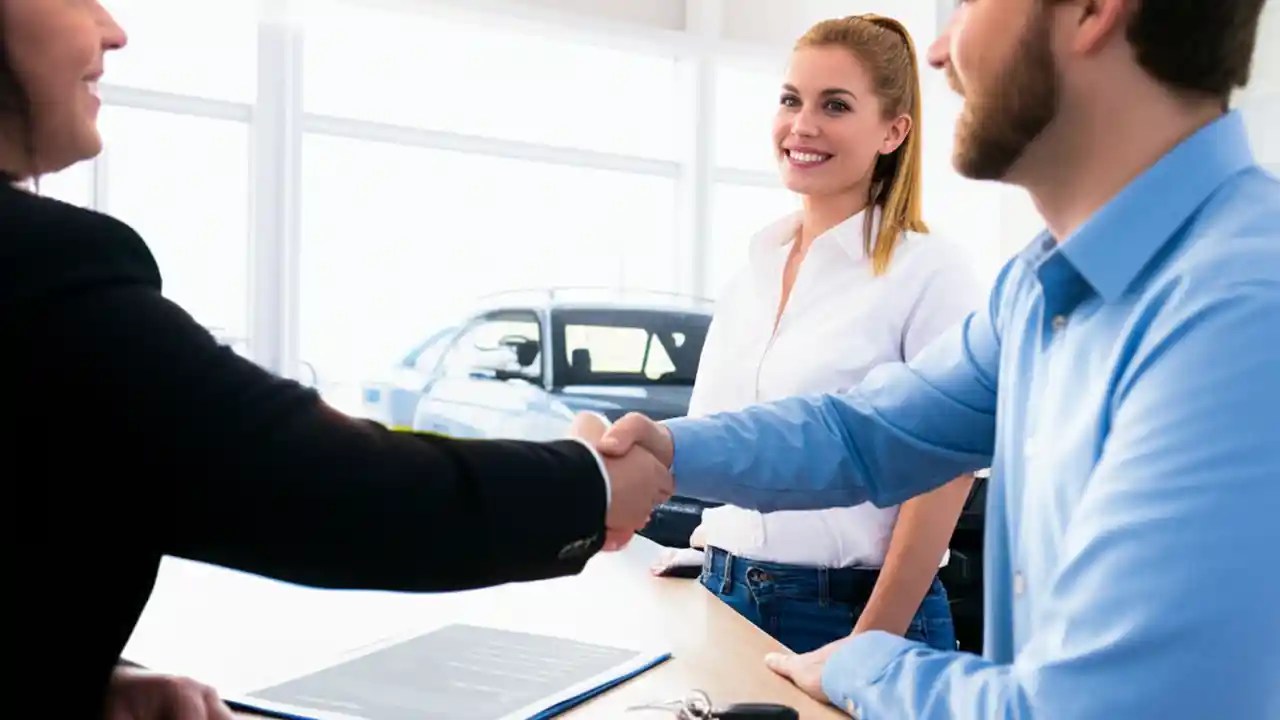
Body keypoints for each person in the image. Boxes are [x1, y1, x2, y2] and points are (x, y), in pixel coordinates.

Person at [593, 0, 1280, 717]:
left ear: (1092, 12)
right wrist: (666, 449)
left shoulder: (1244, 305)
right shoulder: (1036, 292)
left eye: (968, 5)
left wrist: (867, 661)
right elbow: (864, 435)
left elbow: (1096, 709)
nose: (941, 50)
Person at [0, 2, 671, 718]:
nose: (113, 29)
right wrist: (591, 482)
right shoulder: (39, 261)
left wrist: (88, 678)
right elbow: (320, 484)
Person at [651, 14, 977, 656]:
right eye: (791, 100)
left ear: (893, 131)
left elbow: (944, 476)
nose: (803, 125)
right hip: (725, 594)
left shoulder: (929, 271)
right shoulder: (754, 270)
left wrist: (868, 645)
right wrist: (718, 547)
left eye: (835, 105)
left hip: (851, 615)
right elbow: (737, 438)